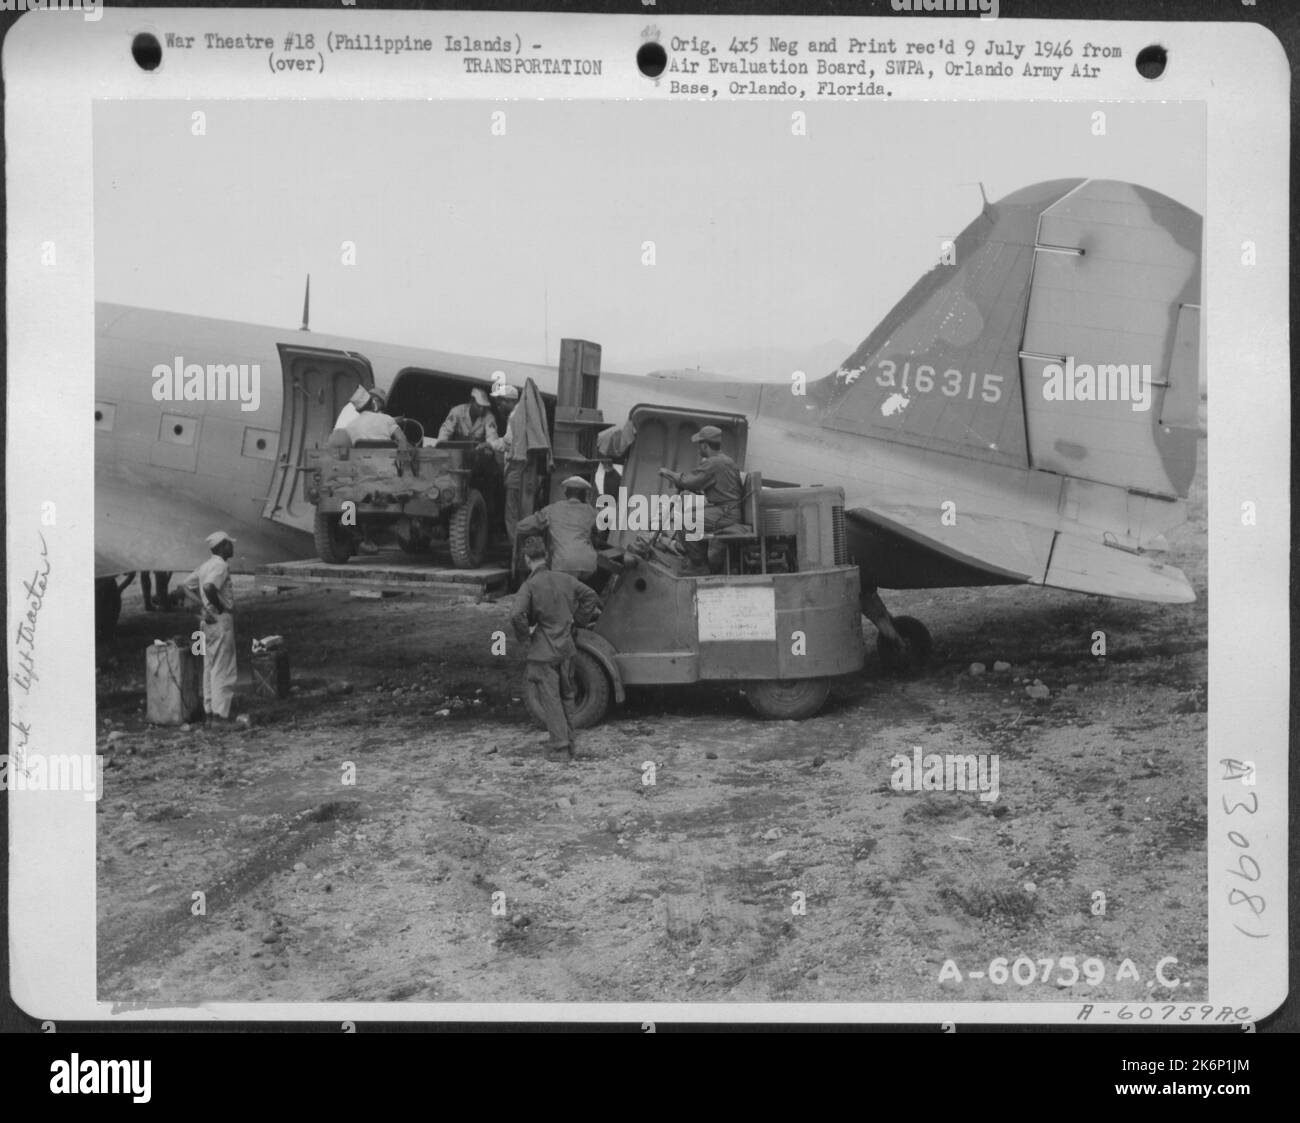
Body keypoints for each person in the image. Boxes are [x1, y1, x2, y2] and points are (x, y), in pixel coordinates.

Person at [510, 536, 599, 761]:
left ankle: (559, 748)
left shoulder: (529, 586)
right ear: (547, 556)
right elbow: (590, 595)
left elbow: (516, 614)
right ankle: (571, 744)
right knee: (567, 696)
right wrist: (578, 620)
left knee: (551, 699)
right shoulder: (565, 579)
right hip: (567, 648)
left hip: (545, 652)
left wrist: (526, 633)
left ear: (526, 559)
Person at [658, 425, 744, 574]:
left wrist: (668, 473)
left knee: (685, 521)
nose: (699, 448)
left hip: (727, 512)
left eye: (700, 444)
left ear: (705, 445)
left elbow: (689, 481)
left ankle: (699, 566)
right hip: (728, 509)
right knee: (691, 514)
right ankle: (694, 558)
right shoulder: (724, 460)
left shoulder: (713, 463)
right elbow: (700, 482)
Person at [180, 531, 239, 727]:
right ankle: (221, 716)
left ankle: (210, 714)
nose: (232, 547)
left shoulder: (205, 565)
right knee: (223, 667)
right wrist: (219, 608)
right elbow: (208, 588)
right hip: (220, 620)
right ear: (222, 546)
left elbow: (184, 587)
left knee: (209, 666)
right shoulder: (220, 566)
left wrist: (202, 607)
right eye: (229, 544)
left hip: (205, 623)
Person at [515, 476, 599, 583]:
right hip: (587, 564)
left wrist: (517, 526)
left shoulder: (552, 509)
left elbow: (523, 525)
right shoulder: (591, 511)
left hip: (562, 563)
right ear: (583, 495)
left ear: (566, 493)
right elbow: (599, 533)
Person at [344, 388, 409, 448]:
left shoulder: (349, 427)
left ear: (357, 410)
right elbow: (401, 439)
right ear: (373, 403)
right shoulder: (386, 419)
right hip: (386, 459)